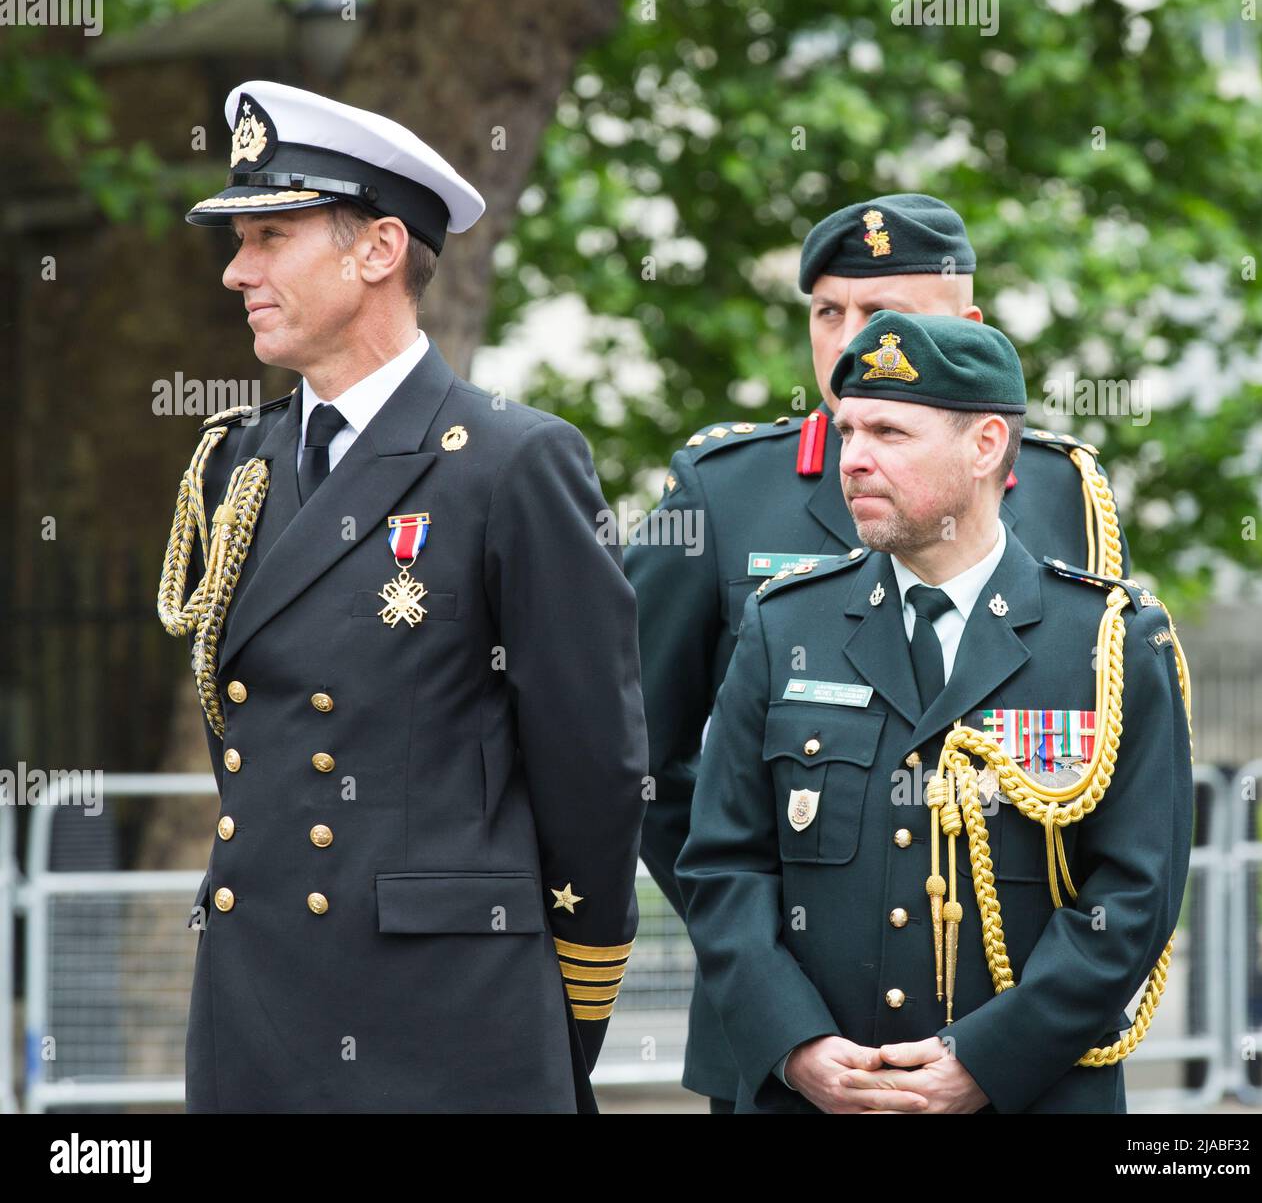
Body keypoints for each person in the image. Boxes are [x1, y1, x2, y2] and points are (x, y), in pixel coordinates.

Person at [157, 81, 646, 1113]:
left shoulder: (511, 462)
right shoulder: (232, 466)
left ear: (378, 250)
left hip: (445, 1012)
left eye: (271, 236)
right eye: (239, 240)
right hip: (257, 995)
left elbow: (593, 762)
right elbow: (254, 743)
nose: (237, 271)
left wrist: (574, 985)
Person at [627, 194, 1129, 1110]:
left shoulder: (1064, 493)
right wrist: (772, 959)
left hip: (1017, 1027)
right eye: (828, 312)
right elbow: (643, 752)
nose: (848, 338)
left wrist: (1013, 1031)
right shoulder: (725, 491)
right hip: (786, 1028)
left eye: (883, 313)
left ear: (969, 328)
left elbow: (1099, 766)